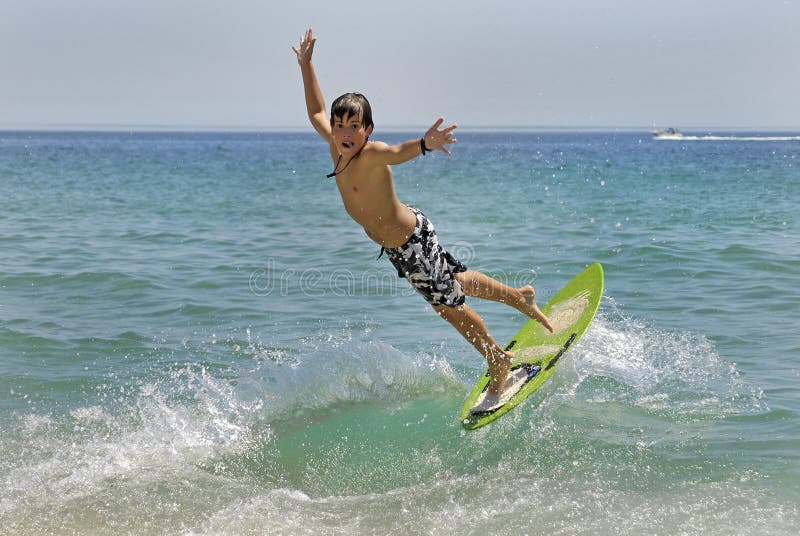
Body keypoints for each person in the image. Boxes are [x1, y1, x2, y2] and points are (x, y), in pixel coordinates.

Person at [292, 28, 553, 403]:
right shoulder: (336, 147)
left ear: (367, 130)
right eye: (339, 125)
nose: (345, 132)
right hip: (406, 241)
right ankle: (518, 298)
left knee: (448, 305)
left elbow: (399, 151)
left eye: (354, 126)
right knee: (455, 280)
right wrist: (306, 65)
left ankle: (498, 360)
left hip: (410, 242)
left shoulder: (373, 154)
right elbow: (315, 109)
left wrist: (426, 144)